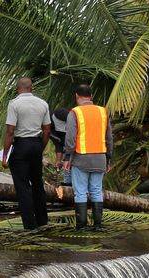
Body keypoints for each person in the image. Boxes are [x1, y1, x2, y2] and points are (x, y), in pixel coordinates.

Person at [1, 77, 51, 230]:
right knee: (37, 184)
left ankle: (29, 225)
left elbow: (10, 131)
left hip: (20, 145)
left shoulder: (14, 104)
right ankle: (43, 221)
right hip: (36, 144)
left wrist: (5, 155)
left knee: (23, 187)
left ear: (17, 88)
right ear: (32, 88)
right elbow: (47, 130)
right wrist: (40, 148)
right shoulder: (43, 104)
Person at [63, 84, 113, 229]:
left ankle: (82, 226)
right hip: (100, 158)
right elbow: (109, 138)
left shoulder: (75, 112)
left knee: (80, 192)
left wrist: (67, 157)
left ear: (77, 96)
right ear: (91, 96)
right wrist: (108, 158)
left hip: (81, 159)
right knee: (97, 191)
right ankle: (98, 226)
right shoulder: (103, 112)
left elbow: (70, 138)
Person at [49, 107, 71, 186]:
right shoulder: (49, 131)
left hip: (78, 149)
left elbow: (75, 119)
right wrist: (58, 160)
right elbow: (58, 145)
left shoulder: (58, 113)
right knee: (67, 175)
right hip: (68, 153)